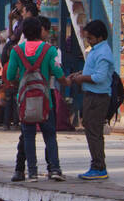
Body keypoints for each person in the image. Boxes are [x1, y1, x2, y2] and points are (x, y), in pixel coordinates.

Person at [6, 17, 65, 182]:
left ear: (24, 32)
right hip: (46, 101)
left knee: (28, 136)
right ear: (40, 31)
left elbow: (10, 75)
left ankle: (32, 172)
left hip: (25, 102)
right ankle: (54, 169)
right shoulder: (50, 50)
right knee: (50, 136)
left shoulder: (16, 51)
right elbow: (58, 73)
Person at [66, 20, 114, 180]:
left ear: (99, 37)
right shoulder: (96, 50)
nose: (88, 41)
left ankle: (99, 166)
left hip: (97, 97)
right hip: (91, 95)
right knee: (91, 130)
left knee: (94, 132)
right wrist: (80, 74)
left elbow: (99, 77)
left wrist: (82, 79)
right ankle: (97, 164)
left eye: (91, 38)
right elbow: (93, 69)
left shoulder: (103, 53)